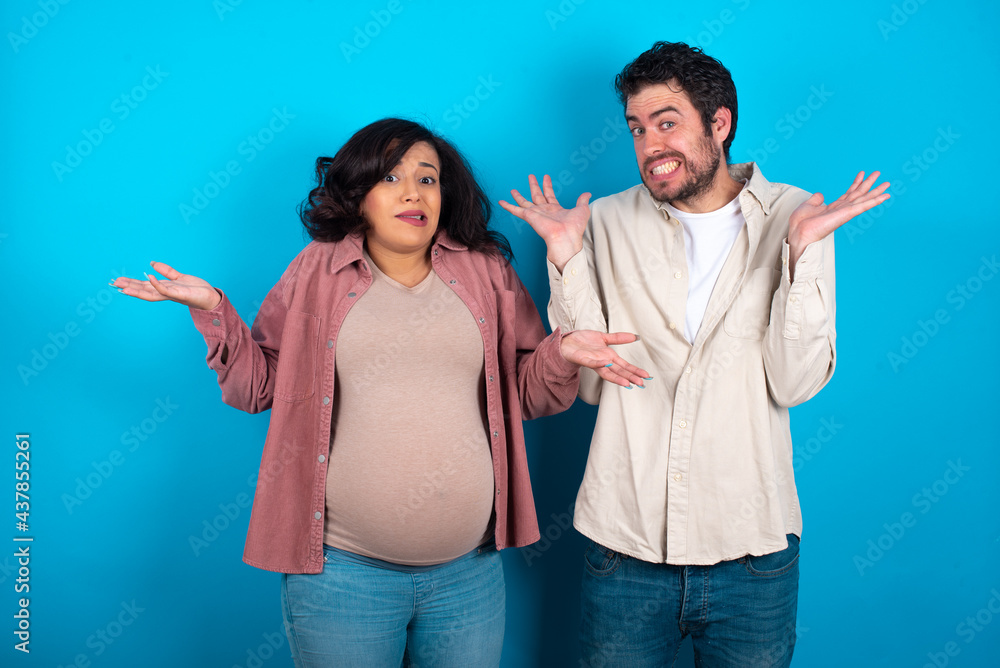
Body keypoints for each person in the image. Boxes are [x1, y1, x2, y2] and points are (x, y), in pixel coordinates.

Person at [112, 118, 649, 667]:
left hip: (468, 577)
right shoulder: (315, 271)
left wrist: (559, 354)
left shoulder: (486, 271)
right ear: (359, 193)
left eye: (428, 178)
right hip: (341, 578)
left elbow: (529, 396)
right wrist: (213, 312)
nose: (413, 192)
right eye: (391, 178)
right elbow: (261, 387)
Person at [500, 42, 890, 667]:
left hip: (753, 555)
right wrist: (568, 257)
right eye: (637, 128)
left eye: (667, 122)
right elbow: (595, 386)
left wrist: (803, 254)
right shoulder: (603, 221)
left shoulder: (797, 215)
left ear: (719, 123)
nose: (650, 145)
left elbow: (792, 383)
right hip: (624, 549)